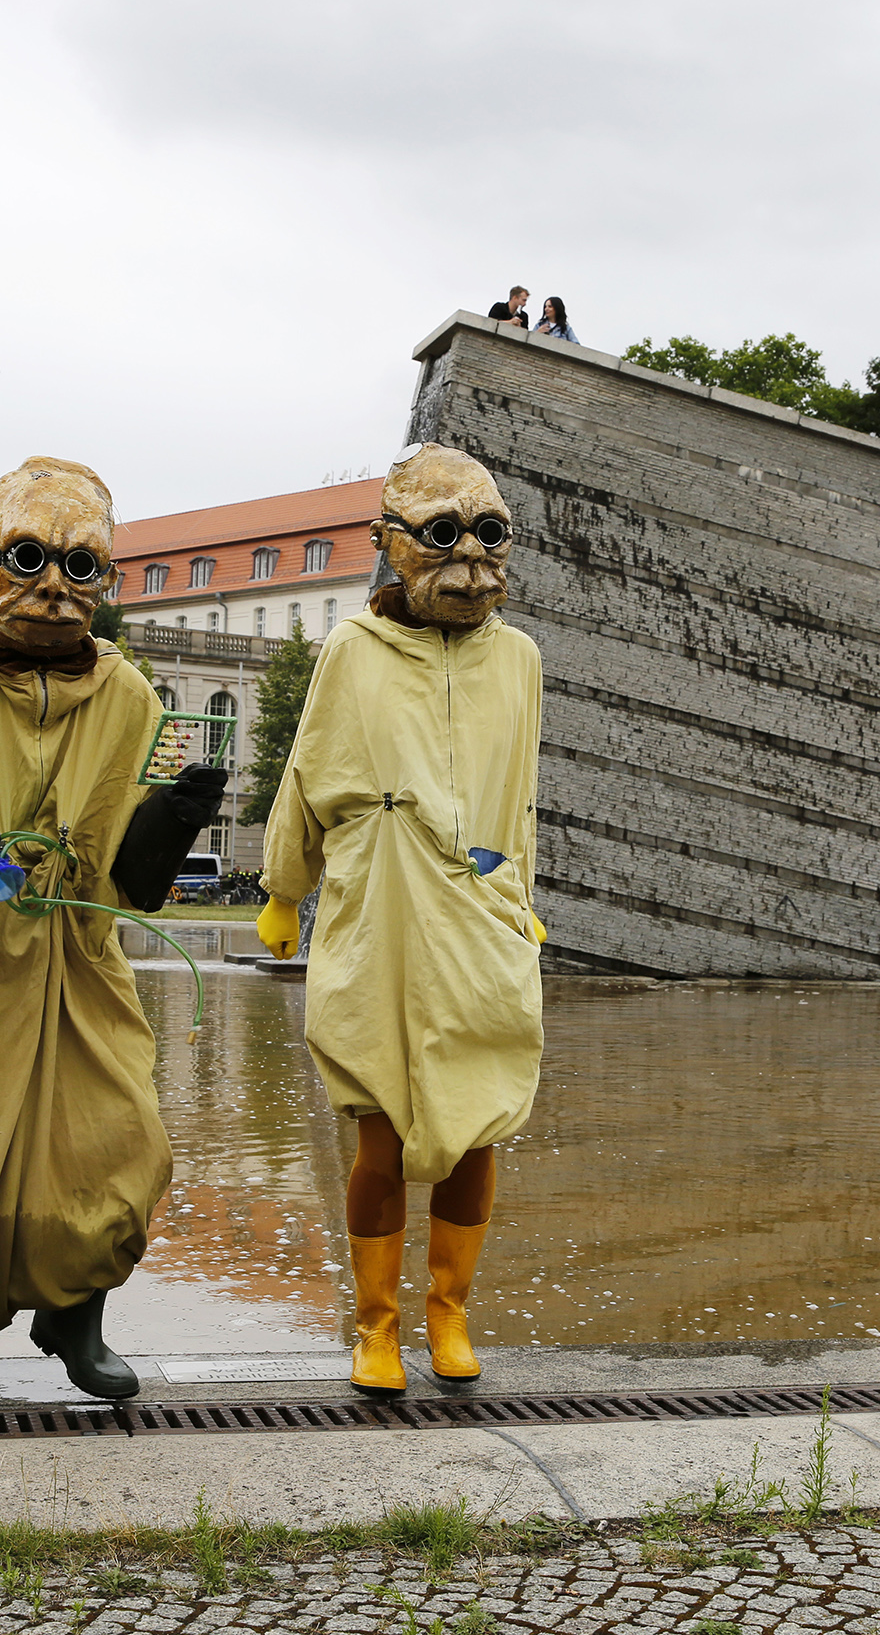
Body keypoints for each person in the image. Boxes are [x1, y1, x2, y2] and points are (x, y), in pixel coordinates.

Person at [0, 458, 226, 1419]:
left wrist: (181, 816)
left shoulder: (130, 694)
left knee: (110, 1142)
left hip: (75, 961)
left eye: (80, 565)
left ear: (107, 577)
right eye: (30, 558)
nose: (55, 585)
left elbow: (133, 881)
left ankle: (76, 1318)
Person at [257, 442, 545, 1396]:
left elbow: (523, 793)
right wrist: (282, 888)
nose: (470, 558)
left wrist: (521, 896)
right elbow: (309, 766)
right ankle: (374, 1327)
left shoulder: (522, 662)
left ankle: (450, 1314)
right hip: (376, 910)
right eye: (442, 534)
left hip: (479, 916)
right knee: (378, 1130)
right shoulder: (351, 648)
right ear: (395, 544)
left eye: (488, 533)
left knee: (477, 1128)